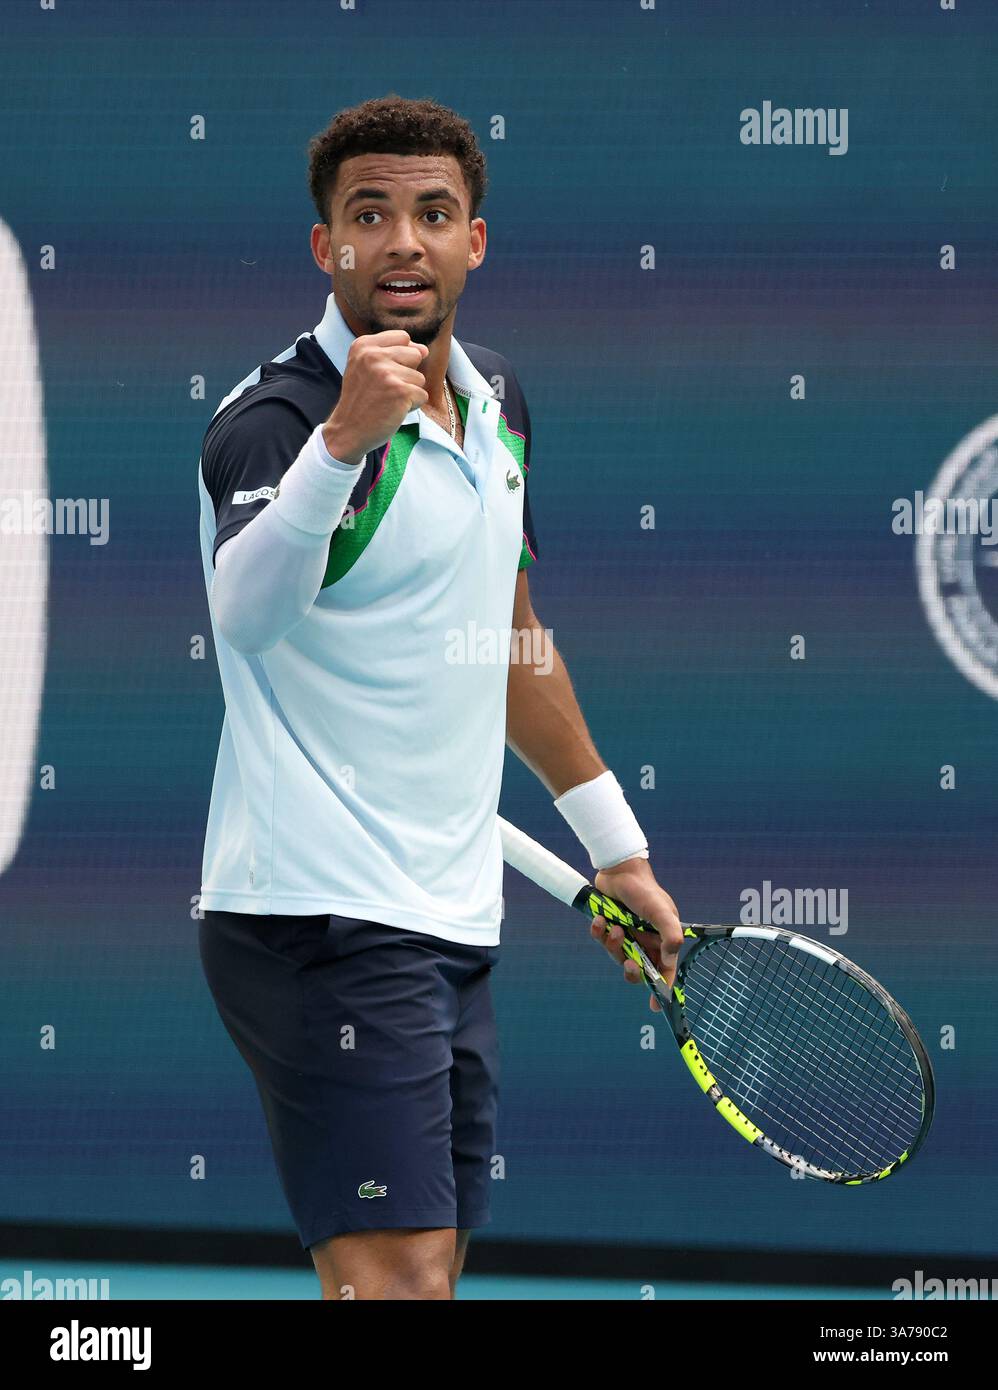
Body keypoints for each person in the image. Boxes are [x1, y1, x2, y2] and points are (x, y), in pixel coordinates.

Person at [196, 93, 682, 1301]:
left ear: (476, 240)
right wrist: (339, 448)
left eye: (432, 213)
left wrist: (615, 852)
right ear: (327, 248)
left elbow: (507, 637)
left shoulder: (498, 404)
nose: (401, 240)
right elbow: (246, 619)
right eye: (370, 215)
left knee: (425, 1276)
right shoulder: (274, 423)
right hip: (315, 916)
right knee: (400, 1279)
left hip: (452, 915)